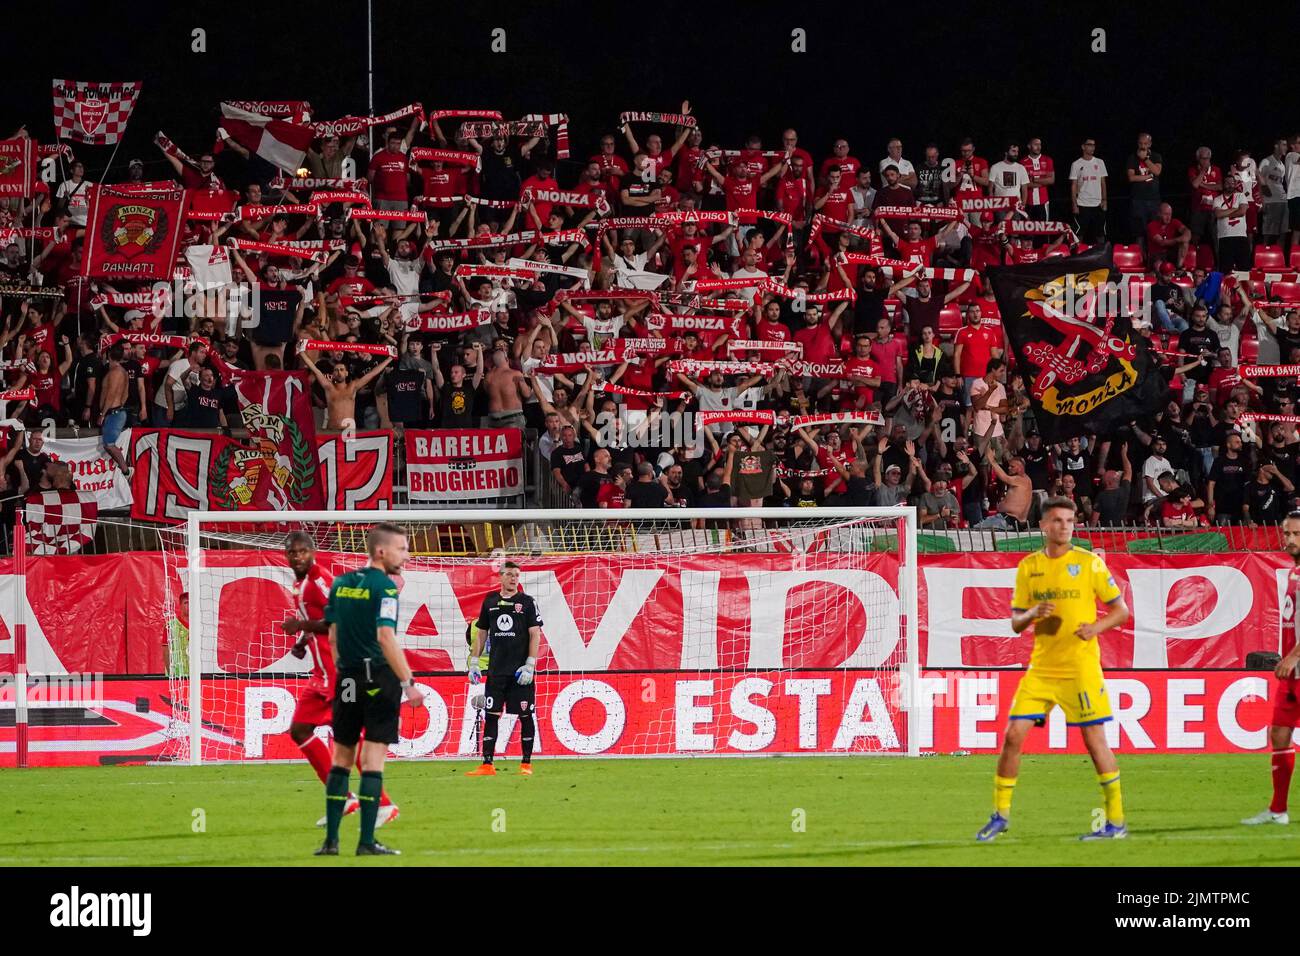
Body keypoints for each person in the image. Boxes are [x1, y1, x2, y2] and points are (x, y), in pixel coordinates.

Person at [976, 497, 1131, 842]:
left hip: (1079, 668)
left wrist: (1095, 628)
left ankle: (1116, 822)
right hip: (1041, 670)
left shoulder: (1089, 564)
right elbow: (1016, 623)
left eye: (1070, 520)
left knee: (1095, 743)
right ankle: (1000, 815)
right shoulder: (1028, 567)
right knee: (1013, 737)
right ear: (1044, 526)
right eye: (1058, 521)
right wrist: (1033, 614)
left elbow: (1121, 610)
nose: (1065, 526)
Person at [317, 522, 422, 857]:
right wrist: (408, 683)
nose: (405, 556)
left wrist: (343, 673)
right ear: (381, 551)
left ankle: (331, 842)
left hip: (346, 676)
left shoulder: (341, 584)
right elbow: (385, 638)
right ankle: (365, 842)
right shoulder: (385, 588)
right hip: (378, 678)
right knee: (373, 758)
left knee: (341, 758)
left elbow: (332, 638)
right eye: (402, 549)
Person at [280, 532, 398, 830]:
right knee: (299, 730)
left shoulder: (320, 581)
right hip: (320, 674)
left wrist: (301, 625)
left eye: (303, 551)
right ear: (287, 556)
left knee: (347, 736)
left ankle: (383, 803)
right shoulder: (299, 585)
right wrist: (303, 641)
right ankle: (344, 797)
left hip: (338, 670)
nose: (298, 557)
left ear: (313, 552)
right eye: (292, 553)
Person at [1243, 511, 1300, 826]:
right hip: (1292, 674)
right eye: (1286, 533)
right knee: (1279, 734)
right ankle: (1278, 810)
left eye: (1295, 534)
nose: (1289, 539)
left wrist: (1293, 655)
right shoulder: (1293, 572)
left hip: (1296, 665)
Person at [467, 561, 543, 776]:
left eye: (517, 575)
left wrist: (530, 664)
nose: (513, 578)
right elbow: (481, 633)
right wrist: (474, 662)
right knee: (491, 715)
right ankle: (487, 764)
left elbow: (535, 633)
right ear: (500, 577)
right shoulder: (490, 601)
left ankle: (526, 764)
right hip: (496, 671)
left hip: (520, 673)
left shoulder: (527, 602)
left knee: (526, 715)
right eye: (509, 574)